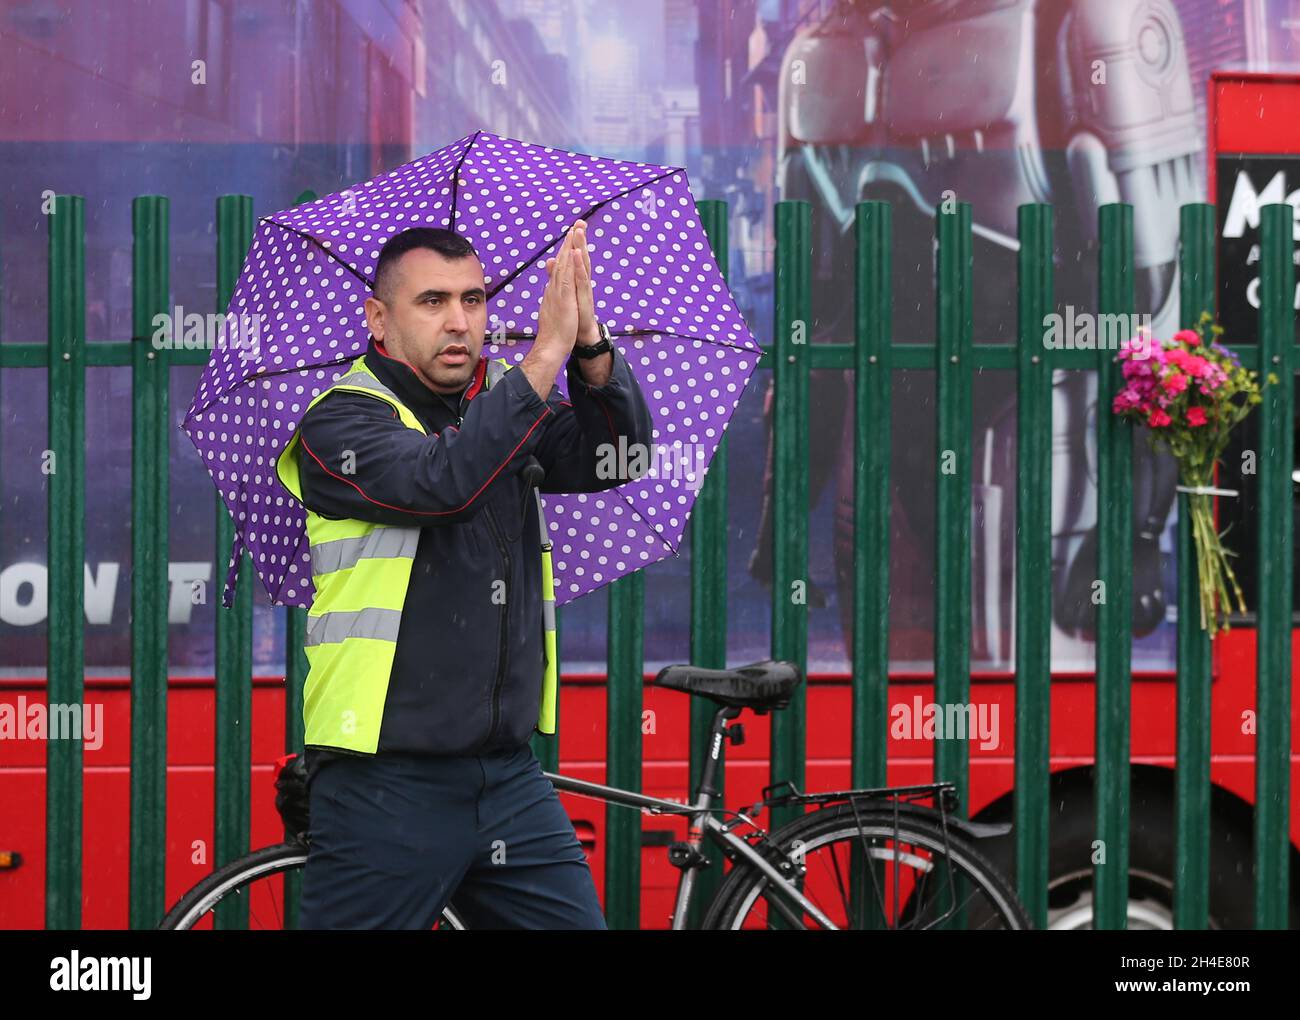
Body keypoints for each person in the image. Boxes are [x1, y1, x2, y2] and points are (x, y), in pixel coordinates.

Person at [273, 220, 654, 928]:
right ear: (379, 320)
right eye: (433, 302)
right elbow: (441, 482)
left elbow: (619, 457)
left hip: (507, 775)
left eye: (474, 300)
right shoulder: (341, 425)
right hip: (386, 780)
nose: (459, 322)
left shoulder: (500, 404)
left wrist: (590, 343)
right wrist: (545, 356)